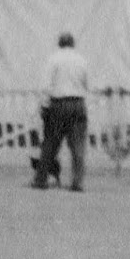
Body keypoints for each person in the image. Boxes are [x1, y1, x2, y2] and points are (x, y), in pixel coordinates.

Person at [35, 32, 90, 191]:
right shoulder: (82, 60)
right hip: (78, 103)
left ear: (59, 43)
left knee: (50, 143)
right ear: (73, 44)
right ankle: (78, 182)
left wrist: (44, 105)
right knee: (78, 146)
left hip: (58, 104)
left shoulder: (53, 59)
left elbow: (46, 85)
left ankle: (41, 179)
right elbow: (86, 84)